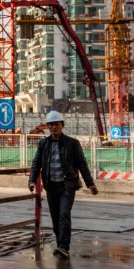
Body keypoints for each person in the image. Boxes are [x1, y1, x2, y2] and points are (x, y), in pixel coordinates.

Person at [27, 110, 97, 258]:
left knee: (64, 214)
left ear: (62, 125)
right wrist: (32, 180)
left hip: (67, 186)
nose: (54, 127)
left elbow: (82, 164)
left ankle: (64, 246)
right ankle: (61, 245)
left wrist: (90, 183)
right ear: (47, 126)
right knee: (55, 217)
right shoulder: (43, 144)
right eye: (51, 125)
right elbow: (36, 163)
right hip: (51, 186)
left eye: (56, 124)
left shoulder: (72, 143)